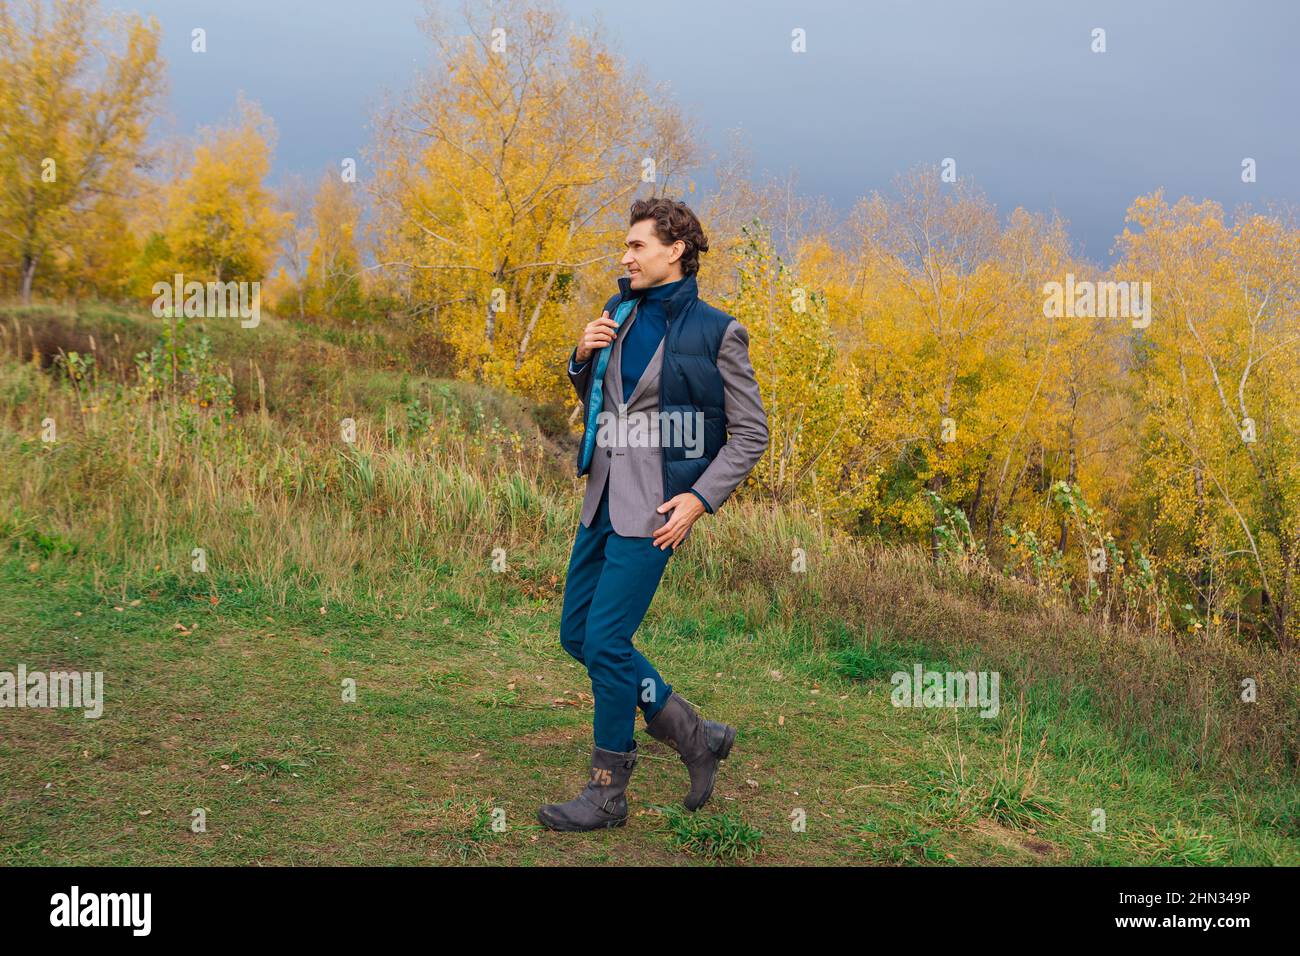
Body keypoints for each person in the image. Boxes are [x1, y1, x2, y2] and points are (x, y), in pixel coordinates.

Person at [537, 197, 770, 832]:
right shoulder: (618, 311)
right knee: (578, 637)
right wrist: (581, 361)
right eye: (626, 246)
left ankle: (608, 791)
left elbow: (751, 434)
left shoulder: (717, 332)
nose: (625, 256)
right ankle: (694, 733)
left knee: (607, 643)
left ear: (675, 251)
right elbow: (605, 405)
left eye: (637, 246)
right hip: (602, 500)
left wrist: (699, 500)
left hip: (657, 511)